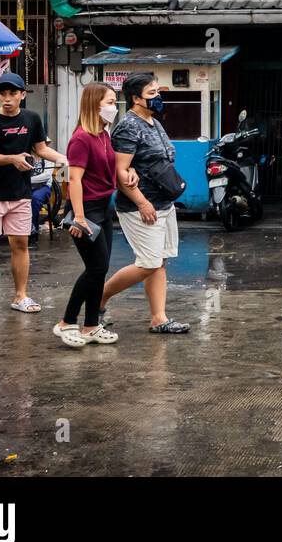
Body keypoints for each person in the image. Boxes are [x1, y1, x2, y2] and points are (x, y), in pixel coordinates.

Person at [0, 72, 67, 314]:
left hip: (22, 192)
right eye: (2, 93)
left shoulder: (32, 119)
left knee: (20, 244)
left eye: (12, 93)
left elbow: (41, 149)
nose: (7, 98)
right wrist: (13, 159)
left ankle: (20, 295)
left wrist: (64, 158)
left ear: (22, 95)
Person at [102, 73, 190, 334]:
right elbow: (120, 172)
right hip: (141, 208)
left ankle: (159, 318)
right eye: (151, 94)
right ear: (135, 98)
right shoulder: (129, 126)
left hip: (163, 204)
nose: (158, 98)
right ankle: (99, 297)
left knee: (158, 262)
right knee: (149, 262)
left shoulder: (152, 122)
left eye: (157, 92)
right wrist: (142, 203)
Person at [53, 82, 122, 348]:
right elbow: (74, 180)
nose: (114, 107)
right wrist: (79, 218)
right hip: (87, 209)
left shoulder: (103, 134)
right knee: (95, 268)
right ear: (96, 105)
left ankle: (92, 324)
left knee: (100, 269)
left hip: (104, 207)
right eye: (111, 102)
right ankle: (66, 322)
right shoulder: (81, 138)